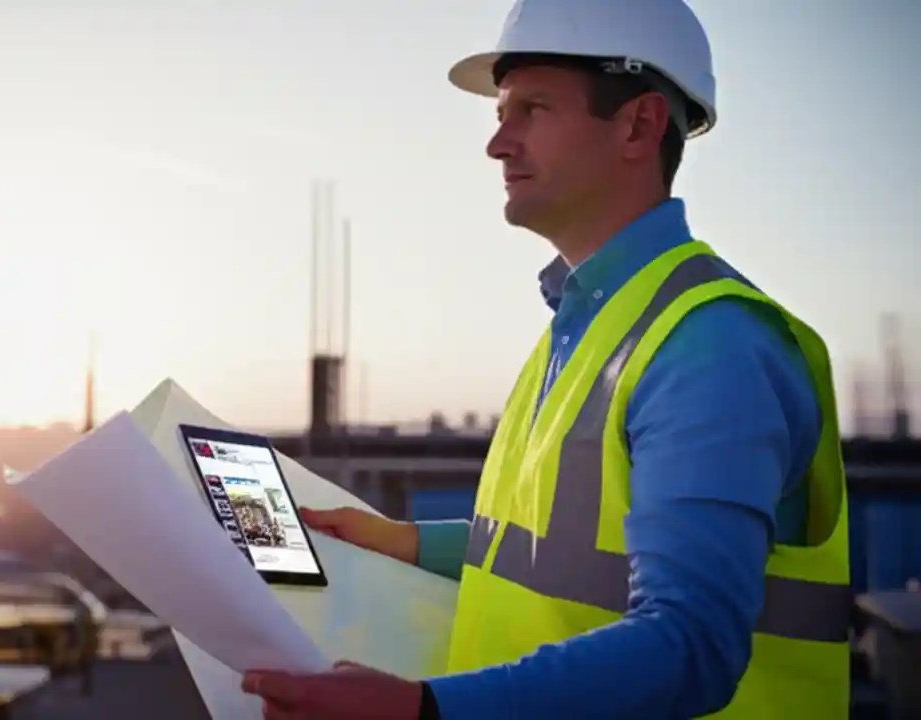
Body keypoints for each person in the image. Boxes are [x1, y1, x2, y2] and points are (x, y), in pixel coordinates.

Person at [240, 0, 851, 717]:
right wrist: (405, 543)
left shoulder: (709, 345)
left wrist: (421, 709)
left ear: (639, 124)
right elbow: (556, 556)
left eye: (531, 109)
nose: (498, 144)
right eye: (501, 113)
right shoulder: (588, 322)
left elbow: (691, 645)